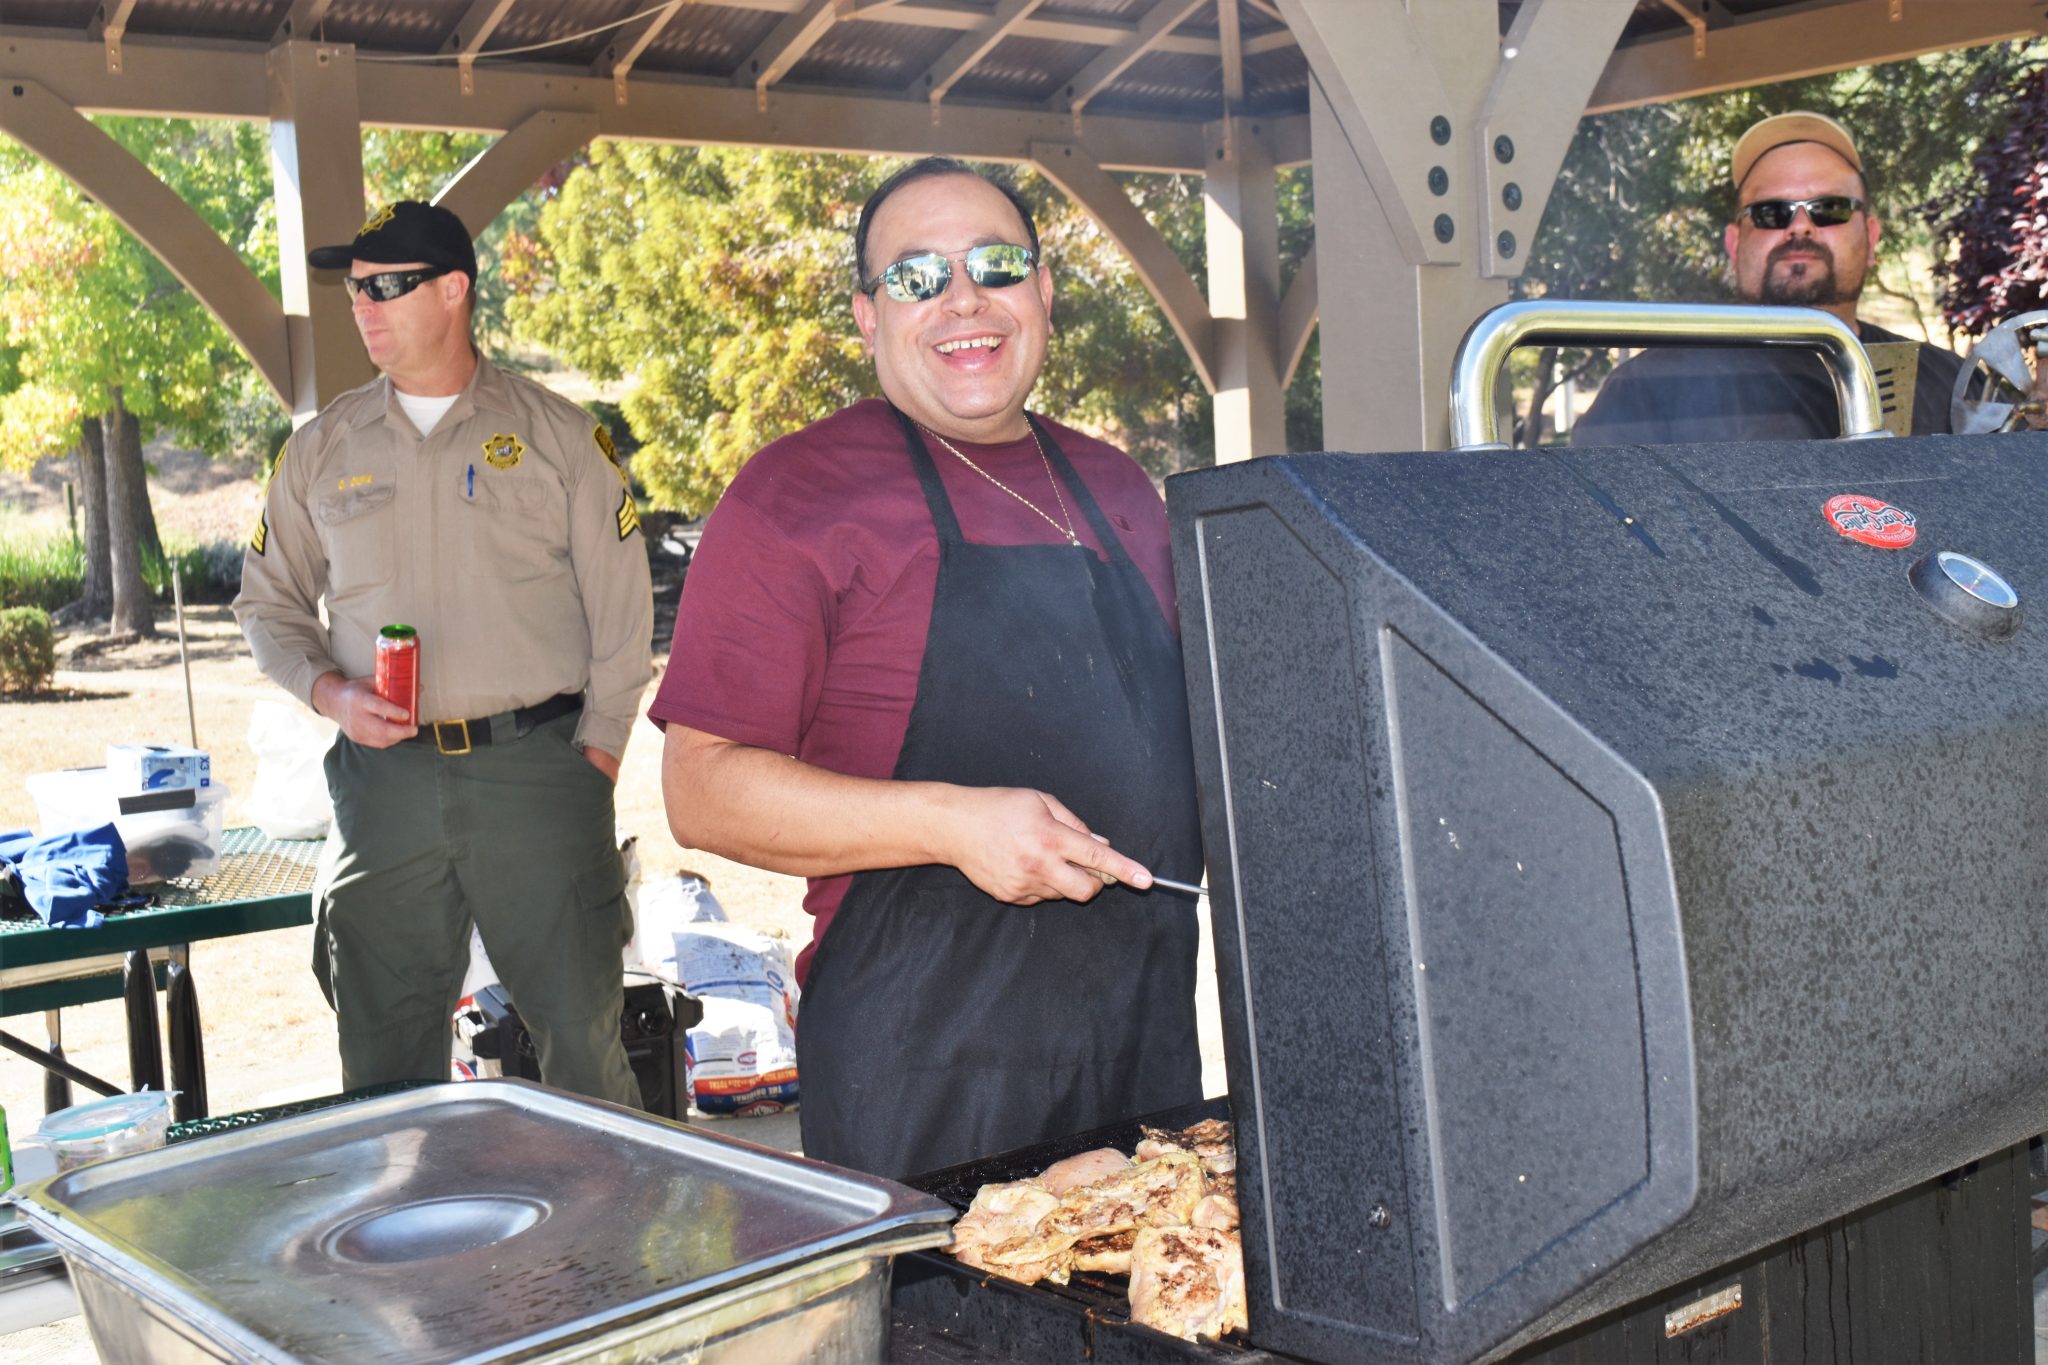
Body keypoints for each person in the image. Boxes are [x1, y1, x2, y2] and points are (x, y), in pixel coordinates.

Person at [650, 158, 1204, 1180]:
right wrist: (952, 824)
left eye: (995, 266)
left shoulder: (1118, 488)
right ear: (868, 317)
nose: (962, 300)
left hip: (1146, 1042)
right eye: (915, 277)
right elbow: (701, 789)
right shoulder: (796, 495)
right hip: (927, 1065)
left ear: (1041, 292)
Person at [234, 201, 652, 1105]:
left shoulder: (560, 438)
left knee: (583, 1049)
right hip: (383, 787)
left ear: (455, 289)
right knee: (380, 1063)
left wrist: (599, 753)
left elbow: (625, 616)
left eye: (387, 286)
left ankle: (616, 1242)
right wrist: (331, 694)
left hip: (537, 773)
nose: (364, 306)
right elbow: (266, 603)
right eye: (354, 290)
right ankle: (411, 1243)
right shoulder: (320, 450)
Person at [1574, 111, 1962, 445]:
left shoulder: (1957, 388)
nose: (1800, 227)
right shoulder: (1644, 391)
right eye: (1771, 213)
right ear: (1734, 243)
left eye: (1829, 209)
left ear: (1872, 238)